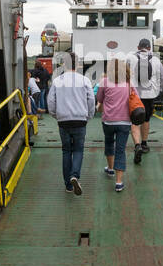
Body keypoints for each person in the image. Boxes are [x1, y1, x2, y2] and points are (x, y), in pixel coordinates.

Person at [47, 53, 95, 194]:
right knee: (78, 149)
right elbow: (91, 100)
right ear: (78, 65)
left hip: (63, 121)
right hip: (80, 120)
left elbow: (51, 102)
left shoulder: (57, 81)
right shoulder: (85, 80)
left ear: (64, 65)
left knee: (66, 151)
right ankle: (75, 175)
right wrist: (89, 116)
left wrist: (56, 115)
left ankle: (68, 185)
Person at [95, 59, 139, 194]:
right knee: (120, 150)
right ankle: (119, 183)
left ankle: (110, 169)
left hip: (108, 121)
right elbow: (136, 99)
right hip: (125, 122)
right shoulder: (128, 84)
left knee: (109, 143)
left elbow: (99, 99)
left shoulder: (104, 82)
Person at [128, 38, 163, 164]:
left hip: (135, 95)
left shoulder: (130, 58)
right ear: (149, 48)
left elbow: (124, 75)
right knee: (146, 119)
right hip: (150, 95)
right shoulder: (155, 60)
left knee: (134, 120)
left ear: (138, 47)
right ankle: (144, 144)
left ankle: (137, 145)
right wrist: (158, 90)